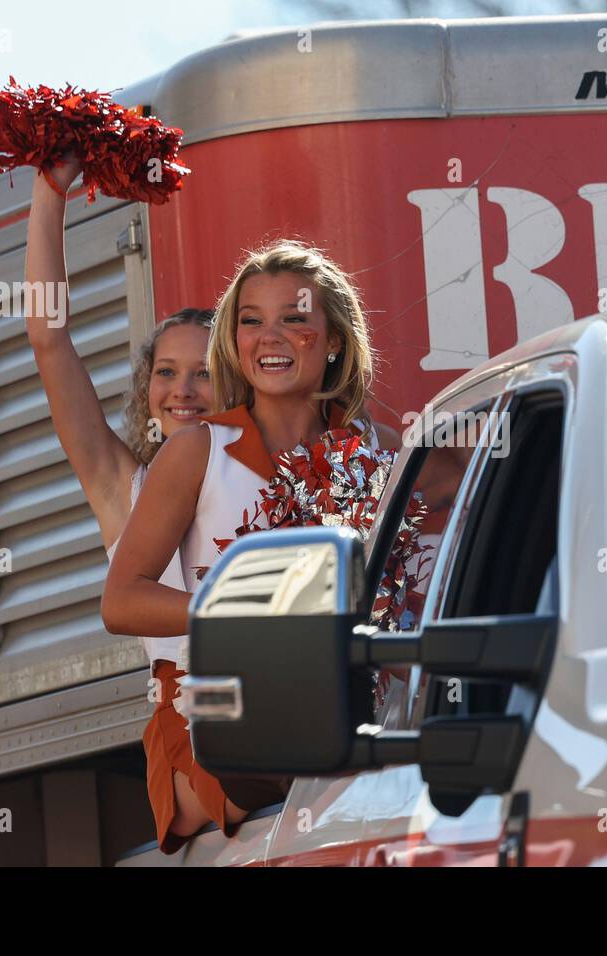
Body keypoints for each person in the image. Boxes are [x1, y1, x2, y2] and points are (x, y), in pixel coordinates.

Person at [102, 239, 400, 853]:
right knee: (309, 751)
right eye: (251, 321)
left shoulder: (381, 455)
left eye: (294, 318)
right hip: (216, 716)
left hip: (356, 707)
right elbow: (121, 601)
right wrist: (238, 615)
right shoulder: (196, 451)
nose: (271, 337)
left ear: (335, 338)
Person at [23, 154, 215, 846]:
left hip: (290, 721)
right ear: (147, 391)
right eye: (167, 373)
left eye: (205, 374)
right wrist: (51, 190)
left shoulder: (272, 477)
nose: (183, 391)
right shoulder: (123, 488)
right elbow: (48, 341)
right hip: (199, 744)